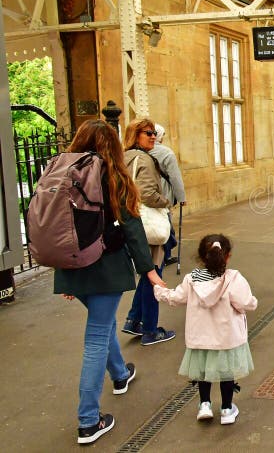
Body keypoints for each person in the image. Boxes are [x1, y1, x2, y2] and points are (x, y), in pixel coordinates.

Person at [54, 119, 163, 445]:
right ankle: (88, 420)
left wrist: (64, 270)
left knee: (100, 326)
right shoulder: (112, 176)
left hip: (72, 266)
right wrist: (150, 271)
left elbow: (54, 223)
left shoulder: (62, 171)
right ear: (112, 145)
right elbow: (131, 228)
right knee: (96, 338)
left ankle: (120, 374)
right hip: (105, 268)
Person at [153, 234, 257, 425]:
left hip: (200, 337)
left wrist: (159, 290)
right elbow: (246, 303)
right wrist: (250, 303)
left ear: (202, 256)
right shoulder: (233, 278)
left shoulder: (191, 279)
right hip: (227, 338)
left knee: (203, 372)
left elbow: (176, 298)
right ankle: (226, 409)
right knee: (227, 373)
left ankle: (205, 405)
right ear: (228, 256)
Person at [121, 118, 176, 346]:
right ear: (136, 135)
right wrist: (165, 202)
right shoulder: (143, 158)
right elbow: (146, 194)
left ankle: (133, 320)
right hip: (148, 225)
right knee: (154, 275)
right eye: (147, 133)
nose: (153, 136)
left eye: (154, 132)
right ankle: (151, 330)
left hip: (131, 222)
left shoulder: (124, 157)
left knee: (147, 273)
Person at [150, 123, 186, 265]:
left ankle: (155, 255)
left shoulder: (139, 151)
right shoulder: (166, 153)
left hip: (144, 194)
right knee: (165, 222)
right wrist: (181, 197)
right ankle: (165, 255)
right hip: (163, 194)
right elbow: (175, 177)